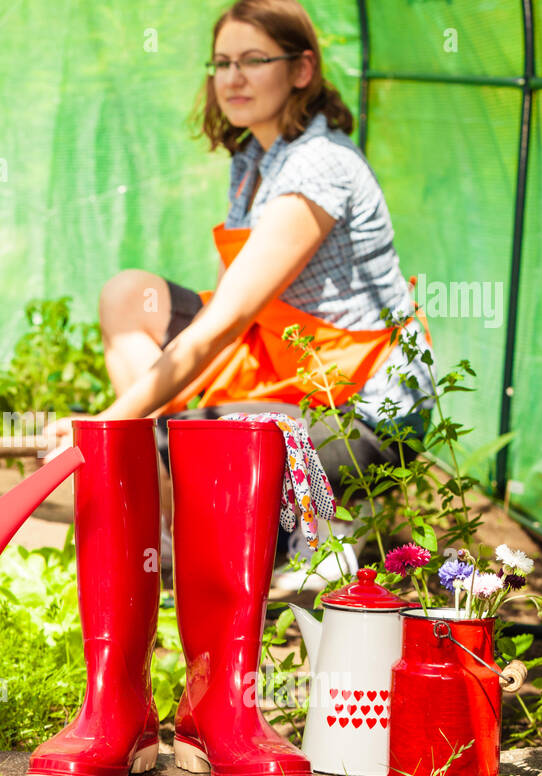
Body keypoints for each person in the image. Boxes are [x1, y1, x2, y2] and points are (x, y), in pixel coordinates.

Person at [43, 0, 432, 585]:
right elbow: (232, 310)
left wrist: (105, 427)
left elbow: (223, 324)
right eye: (222, 62)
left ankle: (317, 531)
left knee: (180, 437)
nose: (233, 78)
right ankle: (176, 520)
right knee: (129, 298)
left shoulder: (318, 168)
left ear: (301, 70)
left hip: (359, 416)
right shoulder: (256, 155)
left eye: (254, 60)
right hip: (292, 365)